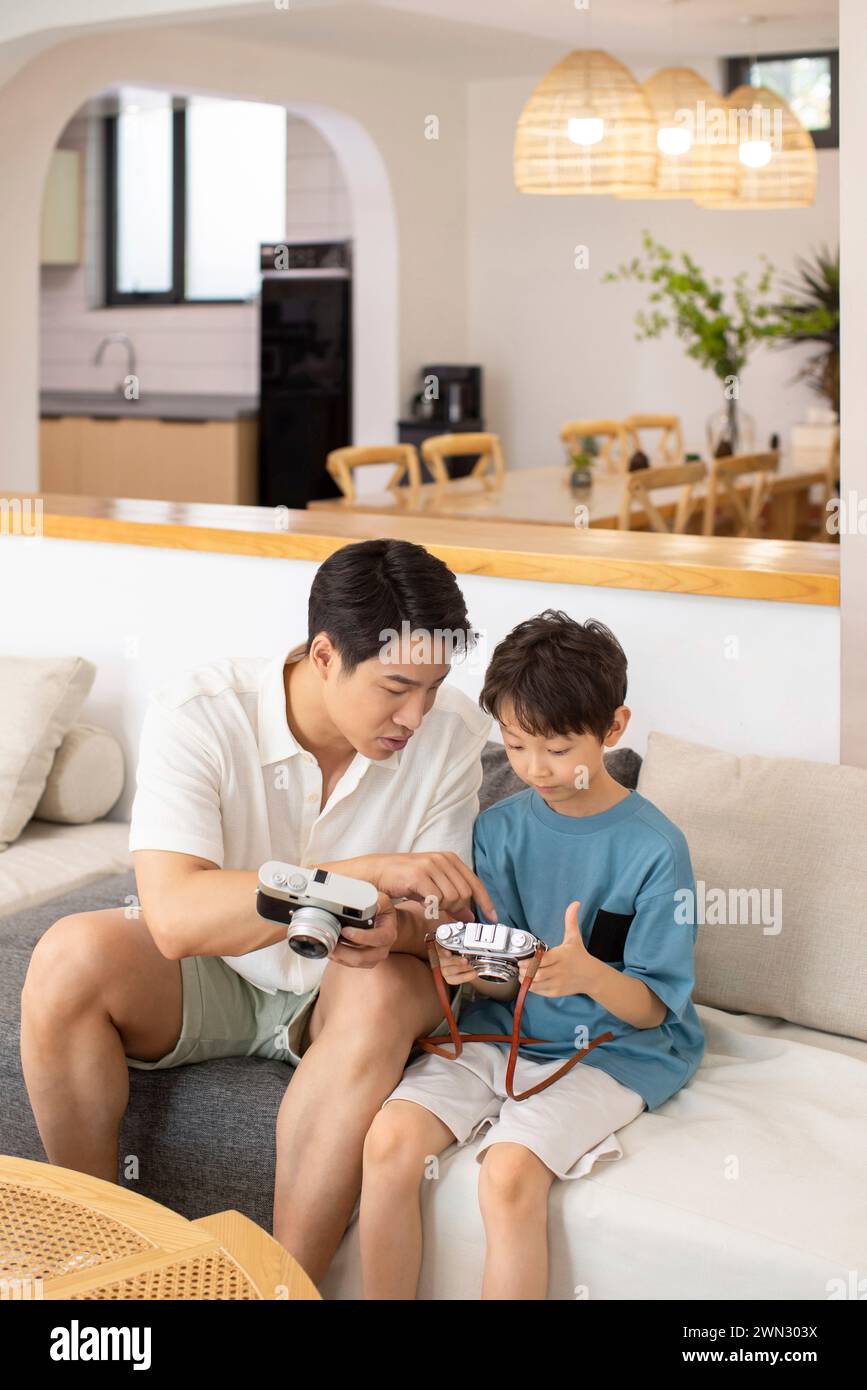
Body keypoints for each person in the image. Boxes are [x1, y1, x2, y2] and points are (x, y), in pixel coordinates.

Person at [20, 538, 494, 1286]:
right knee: (67, 954)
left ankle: (283, 1287)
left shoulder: (453, 737)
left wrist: (398, 928)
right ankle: (98, 1255)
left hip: (346, 993)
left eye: (432, 688)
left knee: (380, 992)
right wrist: (359, 874)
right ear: (325, 655)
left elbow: (438, 917)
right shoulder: (202, 714)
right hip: (214, 969)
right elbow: (174, 917)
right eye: (397, 686)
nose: (416, 713)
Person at [360, 610, 705, 1300]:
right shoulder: (497, 828)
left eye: (554, 749)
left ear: (613, 729)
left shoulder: (655, 849)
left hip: (617, 1047)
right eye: (515, 746)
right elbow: (496, 979)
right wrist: (466, 973)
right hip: (502, 1033)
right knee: (389, 1143)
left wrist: (587, 975)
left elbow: (648, 1010)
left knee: (509, 1171)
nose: (532, 769)